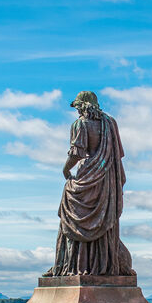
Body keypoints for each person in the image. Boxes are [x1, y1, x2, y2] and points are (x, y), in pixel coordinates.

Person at [45, 90, 134, 277]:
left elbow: (77, 153)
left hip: (87, 175)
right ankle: (104, 265)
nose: (76, 110)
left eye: (77, 106)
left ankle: (70, 265)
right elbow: (118, 153)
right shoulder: (110, 124)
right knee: (102, 222)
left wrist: (65, 170)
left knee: (70, 217)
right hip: (106, 179)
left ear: (82, 105)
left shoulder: (80, 124)